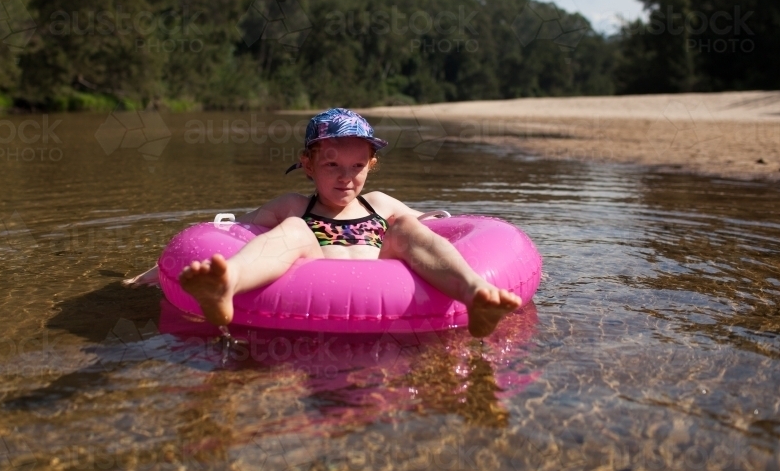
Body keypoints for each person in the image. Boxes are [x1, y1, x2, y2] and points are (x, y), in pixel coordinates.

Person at [123, 108, 522, 337]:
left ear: (372, 166)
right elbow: (230, 233)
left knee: (406, 228)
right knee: (295, 229)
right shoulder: (294, 205)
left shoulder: (380, 203)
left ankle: (475, 294)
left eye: (357, 166)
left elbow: (436, 231)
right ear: (309, 165)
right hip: (314, 278)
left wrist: (431, 227)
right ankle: (227, 286)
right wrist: (161, 270)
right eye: (331, 165)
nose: (345, 177)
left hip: (381, 280)